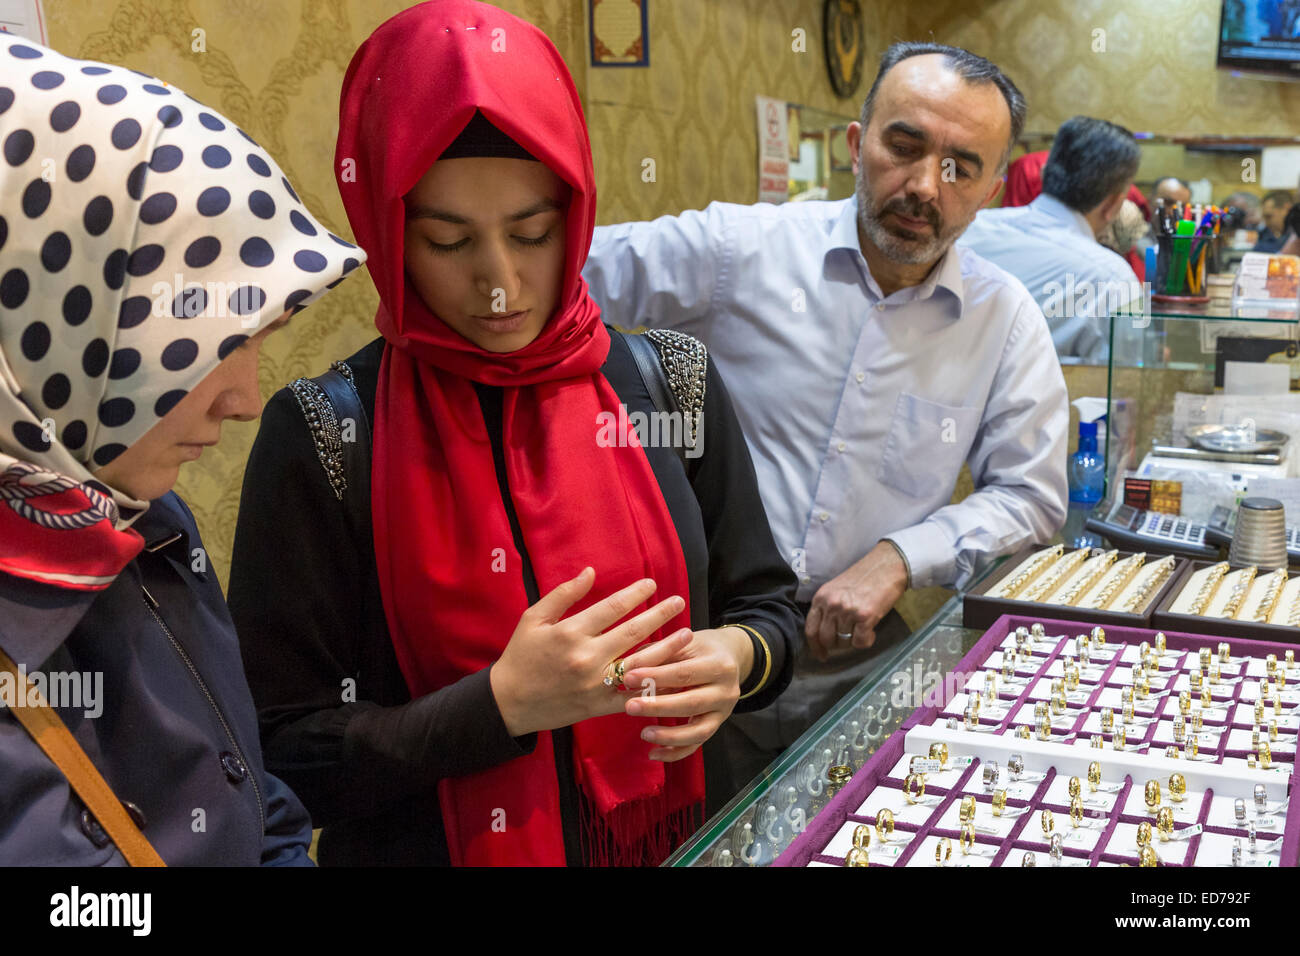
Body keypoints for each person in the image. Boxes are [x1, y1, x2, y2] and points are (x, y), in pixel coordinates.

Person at [226, 0, 800, 867]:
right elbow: (280, 751)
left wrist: (739, 657)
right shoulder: (328, 435)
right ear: (389, 235)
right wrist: (496, 707)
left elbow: (769, 609)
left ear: (575, 211)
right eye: (449, 241)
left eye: (533, 233)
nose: (500, 284)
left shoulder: (668, 380)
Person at [583, 41, 1069, 793]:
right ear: (855, 143)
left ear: (992, 188)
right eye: (902, 146)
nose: (922, 186)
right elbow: (557, 270)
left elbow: (1032, 496)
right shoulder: (739, 250)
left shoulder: (1003, 319)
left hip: (865, 660)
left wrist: (900, 557)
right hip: (708, 649)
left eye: (960, 166)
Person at [0, 34, 364, 864]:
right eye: (202, 343)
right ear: (58, 308)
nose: (243, 400)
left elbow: (254, 801)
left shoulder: (144, 518)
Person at [959, 116, 1142, 363]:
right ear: (1114, 205)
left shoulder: (968, 227)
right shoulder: (1113, 279)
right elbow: (1125, 379)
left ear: (1045, 174)